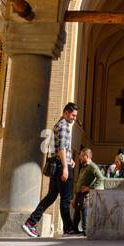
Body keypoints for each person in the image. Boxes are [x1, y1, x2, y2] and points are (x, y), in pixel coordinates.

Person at [23, 102, 79, 238]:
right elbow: (61, 148)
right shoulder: (64, 126)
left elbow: (59, 148)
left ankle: (31, 222)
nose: (74, 118)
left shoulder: (58, 124)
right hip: (61, 167)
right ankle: (69, 229)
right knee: (65, 199)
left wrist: (69, 158)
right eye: (73, 115)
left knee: (51, 196)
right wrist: (66, 167)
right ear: (66, 113)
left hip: (57, 165)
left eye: (75, 116)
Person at [72, 147, 105, 234]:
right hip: (79, 195)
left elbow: (101, 178)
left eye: (81, 156)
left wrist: (89, 188)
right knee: (76, 214)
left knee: (84, 212)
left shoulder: (92, 166)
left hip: (85, 195)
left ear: (86, 156)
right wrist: (75, 197)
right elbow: (79, 183)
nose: (79, 158)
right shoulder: (83, 167)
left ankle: (86, 231)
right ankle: (74, 230)